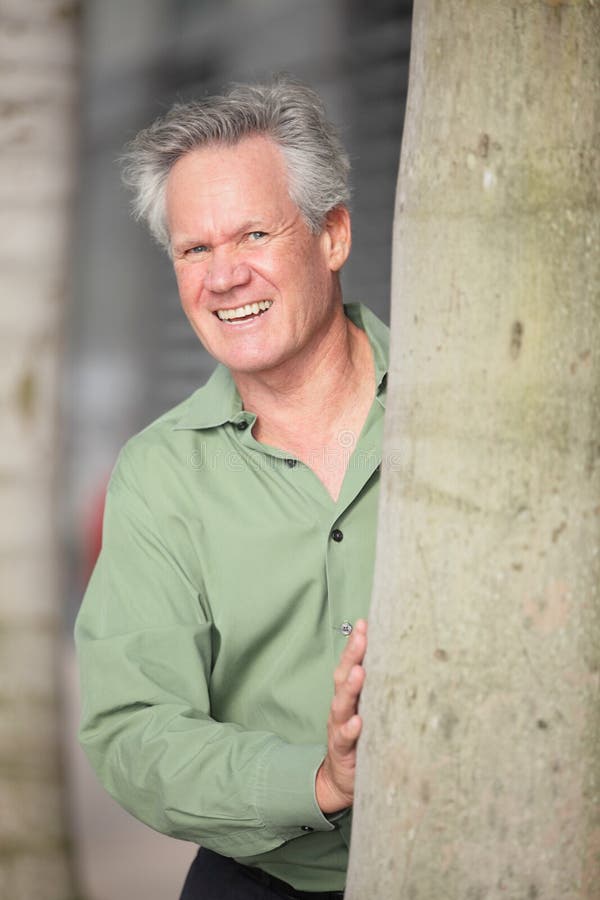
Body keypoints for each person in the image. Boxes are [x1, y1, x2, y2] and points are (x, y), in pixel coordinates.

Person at [75, 76, 389, 900]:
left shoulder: (470, 416)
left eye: (253, 234)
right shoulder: (157, 475)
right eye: (194, 249)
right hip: (265, 879)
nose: (223, 278)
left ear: (333, 235)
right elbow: (136, 730)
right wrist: (319, 781)